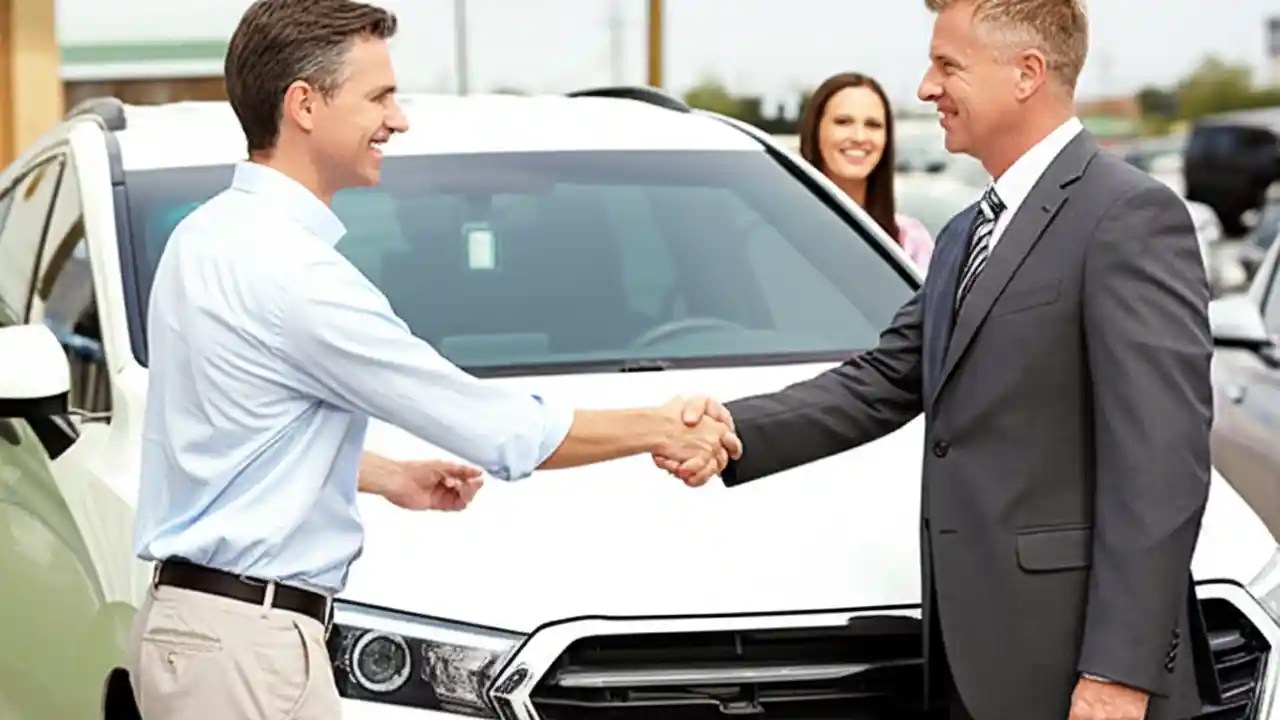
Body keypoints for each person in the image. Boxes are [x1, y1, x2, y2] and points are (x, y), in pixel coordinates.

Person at [126, 1, 740, 718]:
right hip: (250, 655)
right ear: (304, 105)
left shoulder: (203, 238)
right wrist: (662, 427)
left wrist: (384, 476)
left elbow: (226, 429)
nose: (399, 119)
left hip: (194, 633)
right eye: (379, 97)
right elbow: (500, 431)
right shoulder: (297, 277)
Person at [660, 1, 1214, 719]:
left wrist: (1117, 676)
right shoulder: (963, 234)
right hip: (972, 664)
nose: (925, 88)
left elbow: (1162, 466)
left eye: (947, 65)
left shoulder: (1129, 216)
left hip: (1080, 676)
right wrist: (729, 426)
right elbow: (883, 379)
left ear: (1027, 74)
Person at [798, 72, 935, 272]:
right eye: (843, 122)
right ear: (815, 130)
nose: (859, 137)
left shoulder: (911, 242)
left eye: (873, 125)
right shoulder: (777, 232)